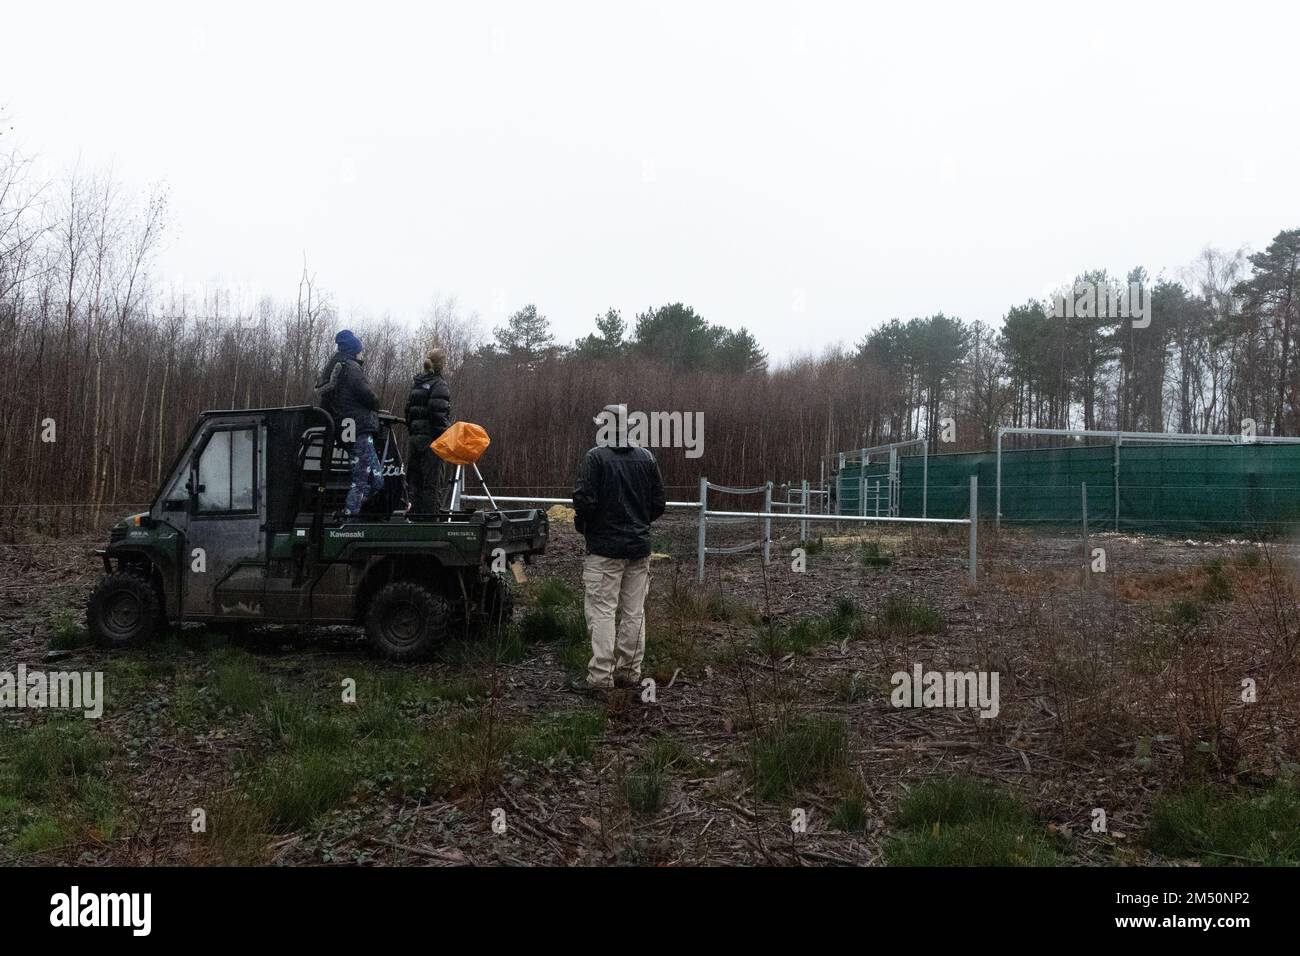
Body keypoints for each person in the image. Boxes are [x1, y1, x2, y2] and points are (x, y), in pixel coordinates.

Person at [570, 404, 666, 693]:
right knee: (634, 611)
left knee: (602, 610)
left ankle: (601, 677)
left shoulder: (595, 458)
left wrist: (586, 526)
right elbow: (658, 503)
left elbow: (584, 500)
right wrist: (638, 522)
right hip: (638, 547)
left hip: (604, 549)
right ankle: (629, 671)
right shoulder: (646, 457)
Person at [315, 329, 384, 518]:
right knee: (362, 479)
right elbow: (367, 395)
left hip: (347, 428)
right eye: (360, 350)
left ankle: (352, 511)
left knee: (377, 480)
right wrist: (377, 405)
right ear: (354, 350)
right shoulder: (351, 367)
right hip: (358, 427)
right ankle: (349, 517)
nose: (362, 354)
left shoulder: (335, 367)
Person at [403, 348, 452, 513]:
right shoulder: (439, 384)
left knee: (414, 484)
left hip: (415, 439)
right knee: (432, 484)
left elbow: (407, 410)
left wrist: (414, 431)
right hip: (432, 441)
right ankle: (431, 525)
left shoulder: (417, 383)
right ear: (441, 364)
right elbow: (437, 414)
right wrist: (444, 437)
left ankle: (414, 522)